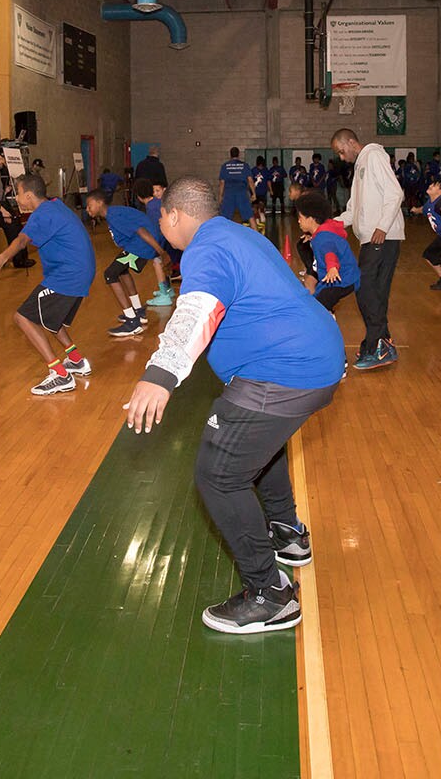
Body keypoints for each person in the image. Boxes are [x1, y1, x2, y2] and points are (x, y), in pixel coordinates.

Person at [122, 178, 346, 635]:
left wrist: (160, 374)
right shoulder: (238, 232)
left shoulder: (206, 247)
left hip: (284, 370)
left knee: (218, 473)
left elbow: (196, 311)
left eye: (162, 220)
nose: (163, 228)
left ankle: (270, 595)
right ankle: (286, 531)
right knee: (258, 443)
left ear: (175, 216)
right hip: (314, 357)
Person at [0, 174, 96, 395]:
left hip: (69, 275)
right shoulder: (55, 206)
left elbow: (22, 240)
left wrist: (2, 258)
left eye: (18, 193)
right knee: (52, 320)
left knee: (22, 317)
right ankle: (76, 361)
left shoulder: (42, 214)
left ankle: (60, 374)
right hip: (80, 271)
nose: (16, 198)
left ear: (28, 195)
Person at [332, 127, 405, 371]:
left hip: (382, 237)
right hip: (371, 238)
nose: (341, 157)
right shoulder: (359, 168)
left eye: (341, 152)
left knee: (362, 286)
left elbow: (395, 193)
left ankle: (380, 343)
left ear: (351, 142)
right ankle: (379, 345)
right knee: (376, 293)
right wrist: (326, 226)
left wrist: (383, 226)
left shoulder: (374, 156)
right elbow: (352, 211)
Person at [84, 187, 170, 337]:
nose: (87, 209)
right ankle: (138, 311)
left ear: (99, 203)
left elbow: (141, 231)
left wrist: (161, 252)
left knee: (110, 274)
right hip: (136, 246)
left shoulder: (115, 215)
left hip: (141, 247)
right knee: (121, 271)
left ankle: (132, 321)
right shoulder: (112, 215)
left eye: (89, 205)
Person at [295, 189, 360, 312]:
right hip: (339, 278)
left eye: (300, 217)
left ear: (311, 218)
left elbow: (329, 251)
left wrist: (332, 267)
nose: (298, 221)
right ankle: (328, 318)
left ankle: (326, 324)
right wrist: (311, 236)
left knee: (317, 309)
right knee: (316, 301)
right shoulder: (324, 230)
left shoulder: (322, 238)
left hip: (341, 280)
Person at [216, 147, 256, 228]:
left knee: (224, 218)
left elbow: (222, 183)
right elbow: (250, 180)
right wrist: (254, 193)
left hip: (229, 193)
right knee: (250, 217)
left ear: (230, 154)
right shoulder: (245, 166)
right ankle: (258, 237)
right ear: (239, 154)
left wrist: (220, 196)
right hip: (242, 193)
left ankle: (223, 237)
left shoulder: (225, 166)